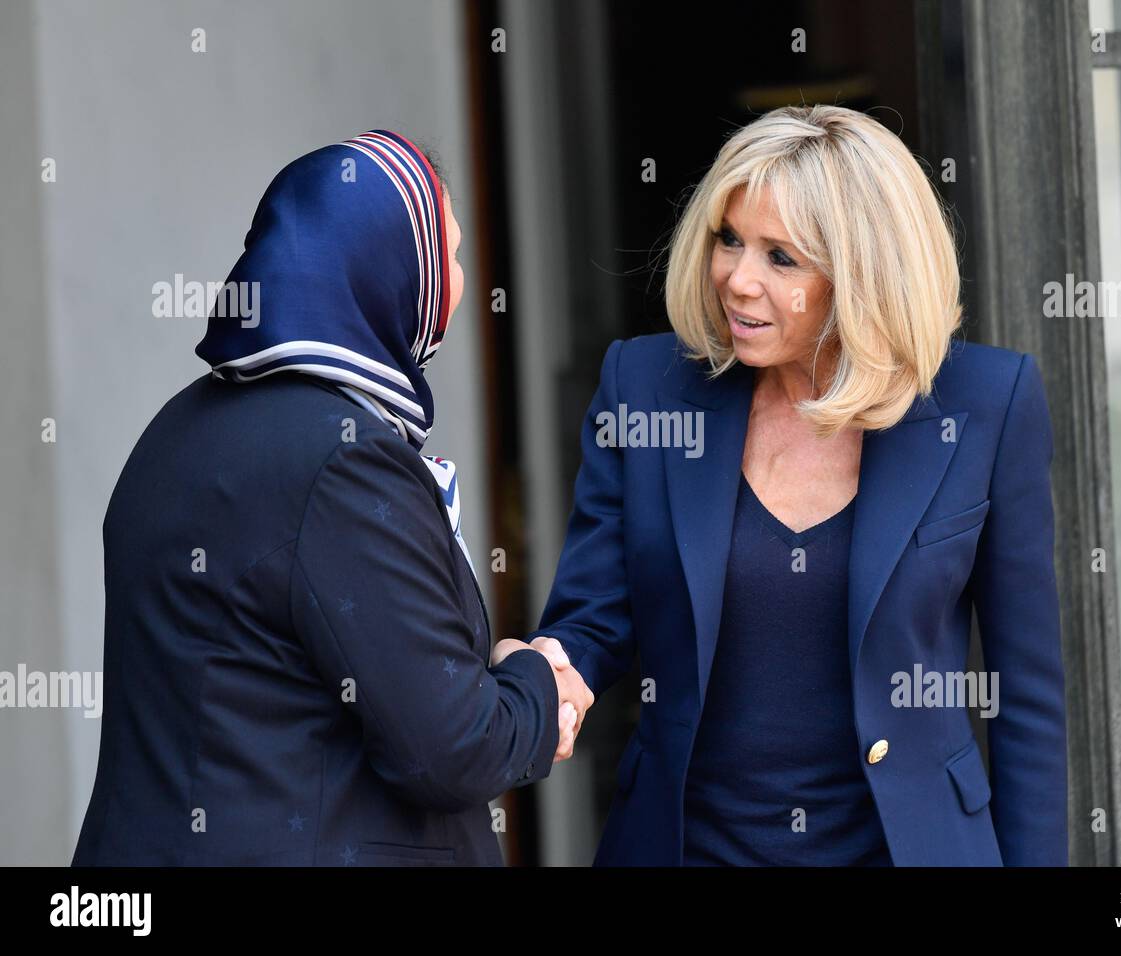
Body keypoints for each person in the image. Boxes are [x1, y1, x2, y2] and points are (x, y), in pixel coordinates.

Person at [528, 105, 1068, 866]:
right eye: (729, 241)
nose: (738, 280)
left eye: (781, 258)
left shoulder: (988, 403)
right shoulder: (643, 387)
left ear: (862, 272)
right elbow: (591, 618)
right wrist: (549, 673)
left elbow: (1026, 697)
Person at [72, 130, 590, 866]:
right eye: (450, 255)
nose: (460, 281)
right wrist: (537, 683)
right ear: (391, 272)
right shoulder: (346, 460)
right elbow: (448, 749)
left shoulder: (175, 431)